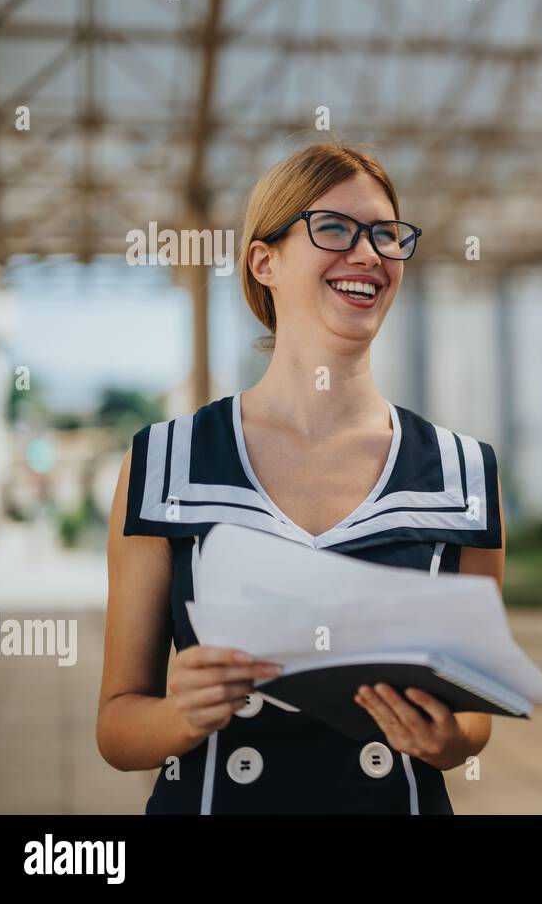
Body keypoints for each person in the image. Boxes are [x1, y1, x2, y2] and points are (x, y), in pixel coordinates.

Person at [96, 143, 506, 814]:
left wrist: (445, 740)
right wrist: (183, 714)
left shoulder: (462, 475)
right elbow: (117, 726)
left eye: (386, 236)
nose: (370, 255)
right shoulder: (164, 463)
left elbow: (476, 715)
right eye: (335, 230)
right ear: (265, 262)